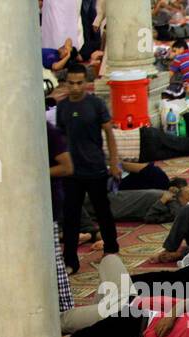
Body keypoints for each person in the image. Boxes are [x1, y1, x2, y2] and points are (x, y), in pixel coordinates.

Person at [55, 62, 120, 274]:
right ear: (66, 83)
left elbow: (109, 134)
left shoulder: (96, 104)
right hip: (72, 172)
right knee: (71, 217)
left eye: (79, 83)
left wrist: (113, 163)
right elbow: (61, 138)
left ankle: (111, 249)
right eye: (71, 83)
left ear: (86, 83)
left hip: (96, 168)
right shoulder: (63, 107)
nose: (75, 87)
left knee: (103, 212)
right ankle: (70, 261)